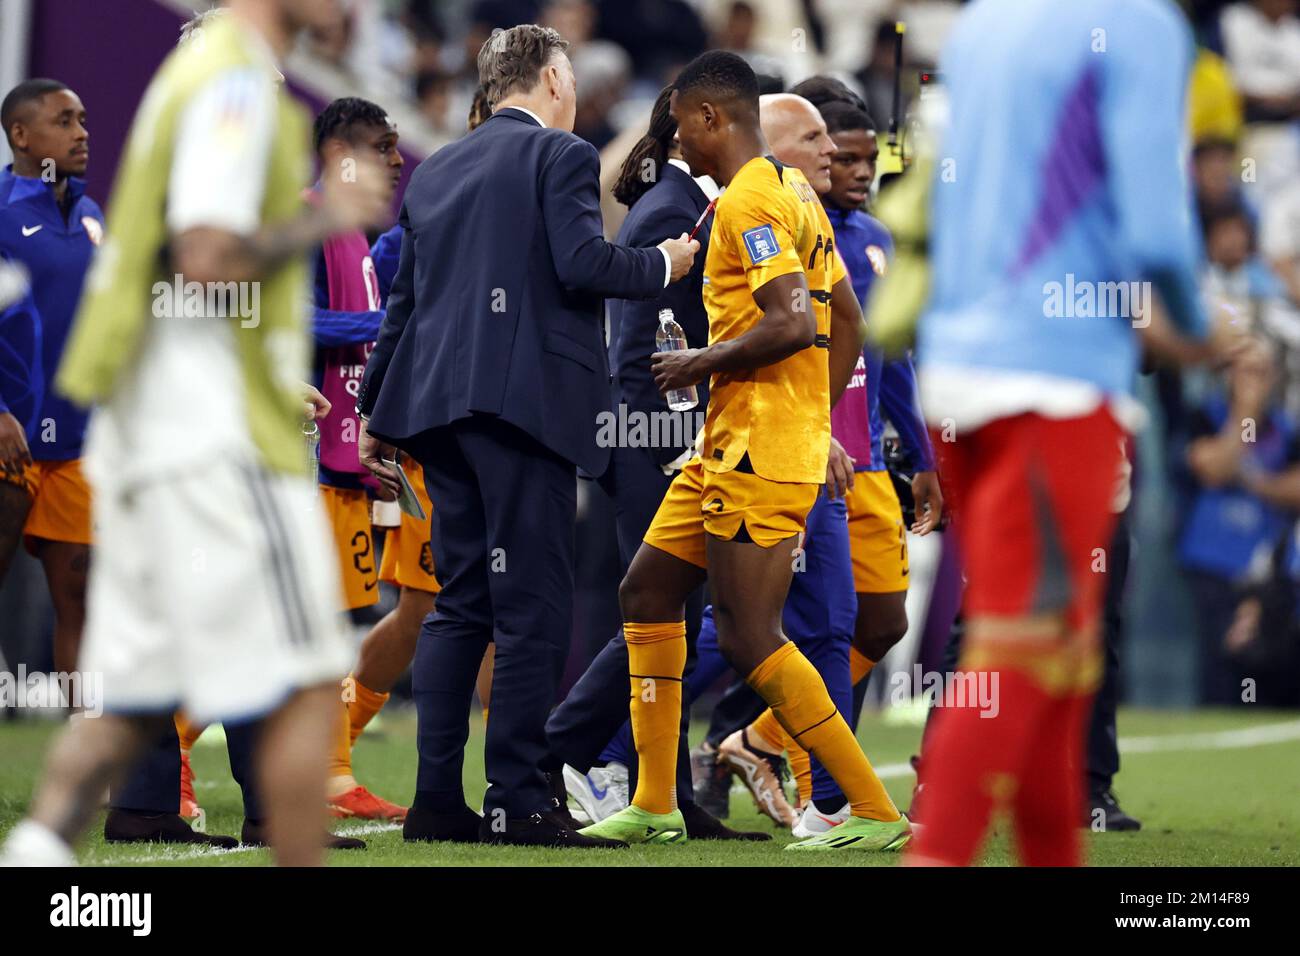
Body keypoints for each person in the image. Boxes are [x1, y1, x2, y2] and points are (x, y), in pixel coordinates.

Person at [0, 0, 392, 867]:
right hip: (217, 449)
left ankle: (34, 856)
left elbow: (173, 277)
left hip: (147, 435)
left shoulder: (191, 84)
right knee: (298, 690)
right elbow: (210, 256)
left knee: (129, 701)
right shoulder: (235, 86)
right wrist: (329, 217)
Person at [356, 23, 698, 848]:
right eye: (571, 76)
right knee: (533, 607)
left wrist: (374, 414)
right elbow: (584, 263)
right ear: (551, 78)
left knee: (458, 604)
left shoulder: (439, 165)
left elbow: (405, 301)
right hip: (525, 408)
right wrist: (666, 264)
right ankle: (519, 797)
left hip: (437, 413)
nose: (574, 91)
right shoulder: (563, 154)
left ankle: (437, 800)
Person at [908, 0, 1228, 867]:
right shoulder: (1139, 23)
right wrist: (1200, 327)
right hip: (1053, 378)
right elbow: (1159, 228)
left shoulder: (983, 24)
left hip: (958, 368)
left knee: (1062, 650)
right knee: (1022, 643)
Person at [580, 52, 909, 852]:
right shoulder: (795, 191)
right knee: (648, 594)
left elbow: (793, 322)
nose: (674, 143)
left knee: (748, 635)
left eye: (680, 125)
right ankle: (657, 799)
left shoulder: (753, 201)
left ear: (709, 118)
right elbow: (850, 323)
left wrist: (699, 362)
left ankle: (867, 807)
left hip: (757, 449)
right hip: (737, 442)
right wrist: (814, 414)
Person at [542, 86, 764, 841]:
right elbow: (647, 346)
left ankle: (659, 790)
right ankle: (561, 747)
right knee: (660, 610)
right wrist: (677, 439)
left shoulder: (678, 201)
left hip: (646, 436)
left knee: (672, 615)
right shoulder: (677, 211)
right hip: (653, 441)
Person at [0, 79, 99, 680]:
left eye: (82, 118)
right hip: (10, 439)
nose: (82, 132)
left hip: (79, 445)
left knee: (82, 605)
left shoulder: (92, 216)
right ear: (21, 134)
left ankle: (87, 770)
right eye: (64, 121)